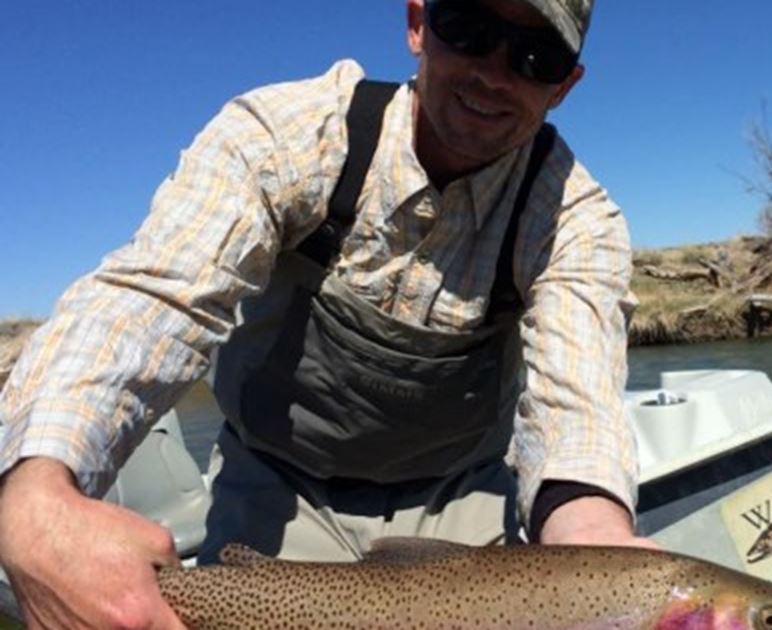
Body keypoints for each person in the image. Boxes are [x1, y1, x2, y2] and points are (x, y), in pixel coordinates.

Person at [0, 0, 653, 627]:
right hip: (276, 484)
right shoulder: (290, 134)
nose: (493, 72)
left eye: (536, 57)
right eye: (468, 26)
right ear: (418, 24)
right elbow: (153, 301)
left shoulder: (577, 218)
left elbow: (578, 404)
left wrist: (599, 551)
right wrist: (35, 494)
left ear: (564, 85)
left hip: (461, 498)